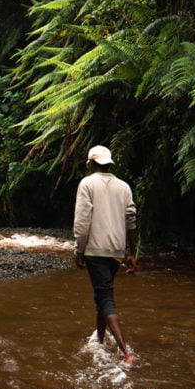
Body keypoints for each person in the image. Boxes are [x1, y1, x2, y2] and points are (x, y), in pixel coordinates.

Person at [73, 144, 138, 366]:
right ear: (109, 164)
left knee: (106, 298)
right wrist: (130, 253)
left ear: (91, 163)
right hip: (116, 252)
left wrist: (79, 250)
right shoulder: (124, 187)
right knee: (102, 294)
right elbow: (131, 222)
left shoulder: (87, 184)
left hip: (94, 250)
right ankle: (100, 340)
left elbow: (82, 222)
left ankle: (126, 353)